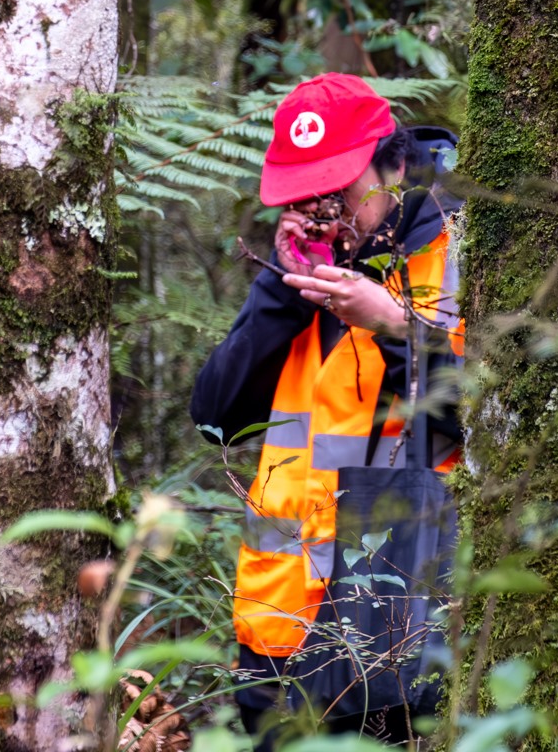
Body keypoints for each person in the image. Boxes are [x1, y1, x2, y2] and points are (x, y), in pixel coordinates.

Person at [192, 73, 463, 746]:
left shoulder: (457, 254)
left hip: (386, 621)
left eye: (340, 189)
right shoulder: (302, 276)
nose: (326, 211)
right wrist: (282, 289)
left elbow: (471, 420)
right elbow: (213, 417)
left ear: (394, 166)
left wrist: (397, 327)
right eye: (307, 195)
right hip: (276, 617)